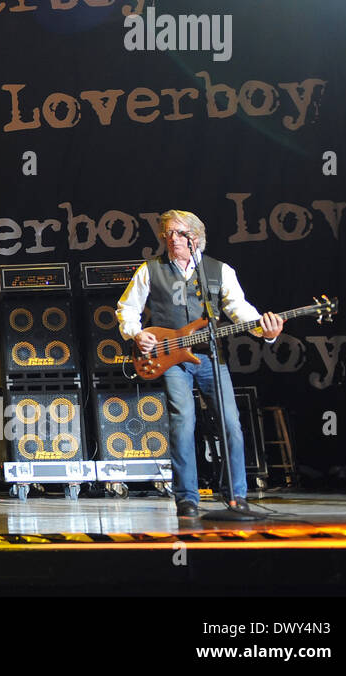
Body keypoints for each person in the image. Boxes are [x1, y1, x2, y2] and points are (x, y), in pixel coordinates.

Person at [116, 210, 283, 520]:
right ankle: (187, 498)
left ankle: (236, 496)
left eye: (178, 233)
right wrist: (138, 335)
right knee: (183, 423)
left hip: (210, 357)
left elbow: (240, 311)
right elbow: (127, 309)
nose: (171, 239)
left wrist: (265, 332)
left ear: (195, 237)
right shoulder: (151, 270)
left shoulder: (219, 271)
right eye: (167, 233)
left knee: (231, 423)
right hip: (172, 358)